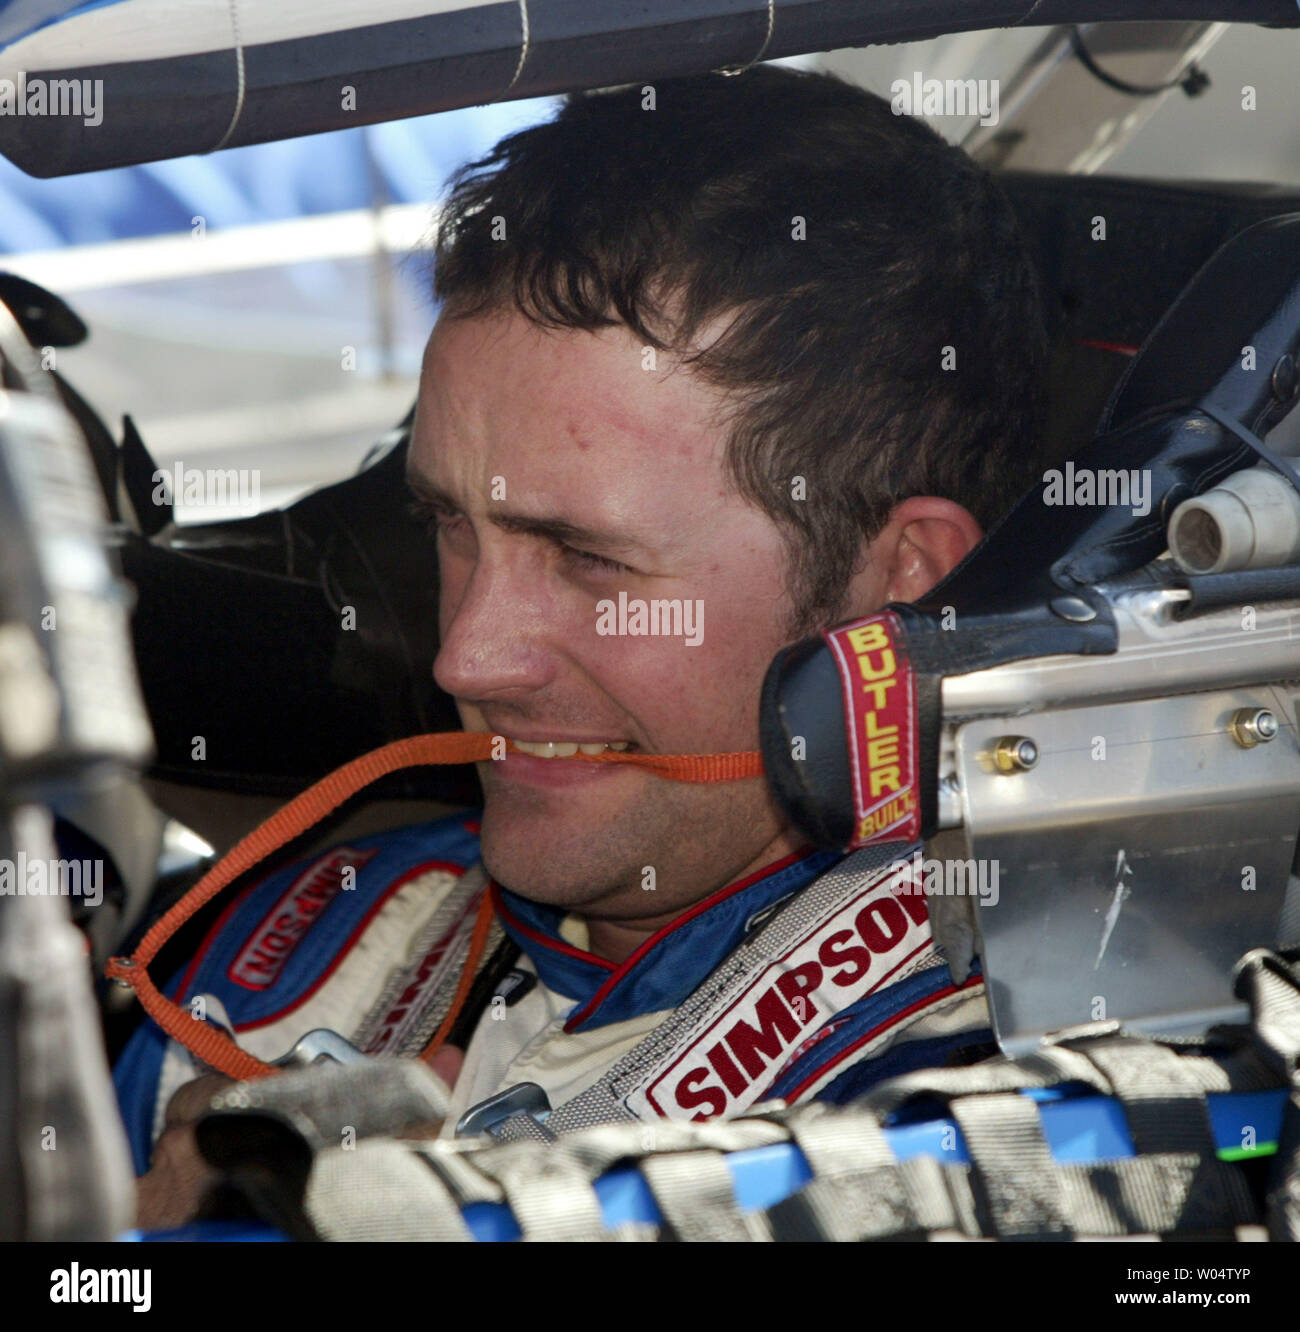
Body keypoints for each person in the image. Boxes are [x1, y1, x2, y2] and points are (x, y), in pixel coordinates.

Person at [114, 63, 1047, 1226]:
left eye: (587, 559)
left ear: (902, 583)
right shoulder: (309, 937)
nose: (467, 658)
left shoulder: (983, 1117)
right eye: (449, 524)